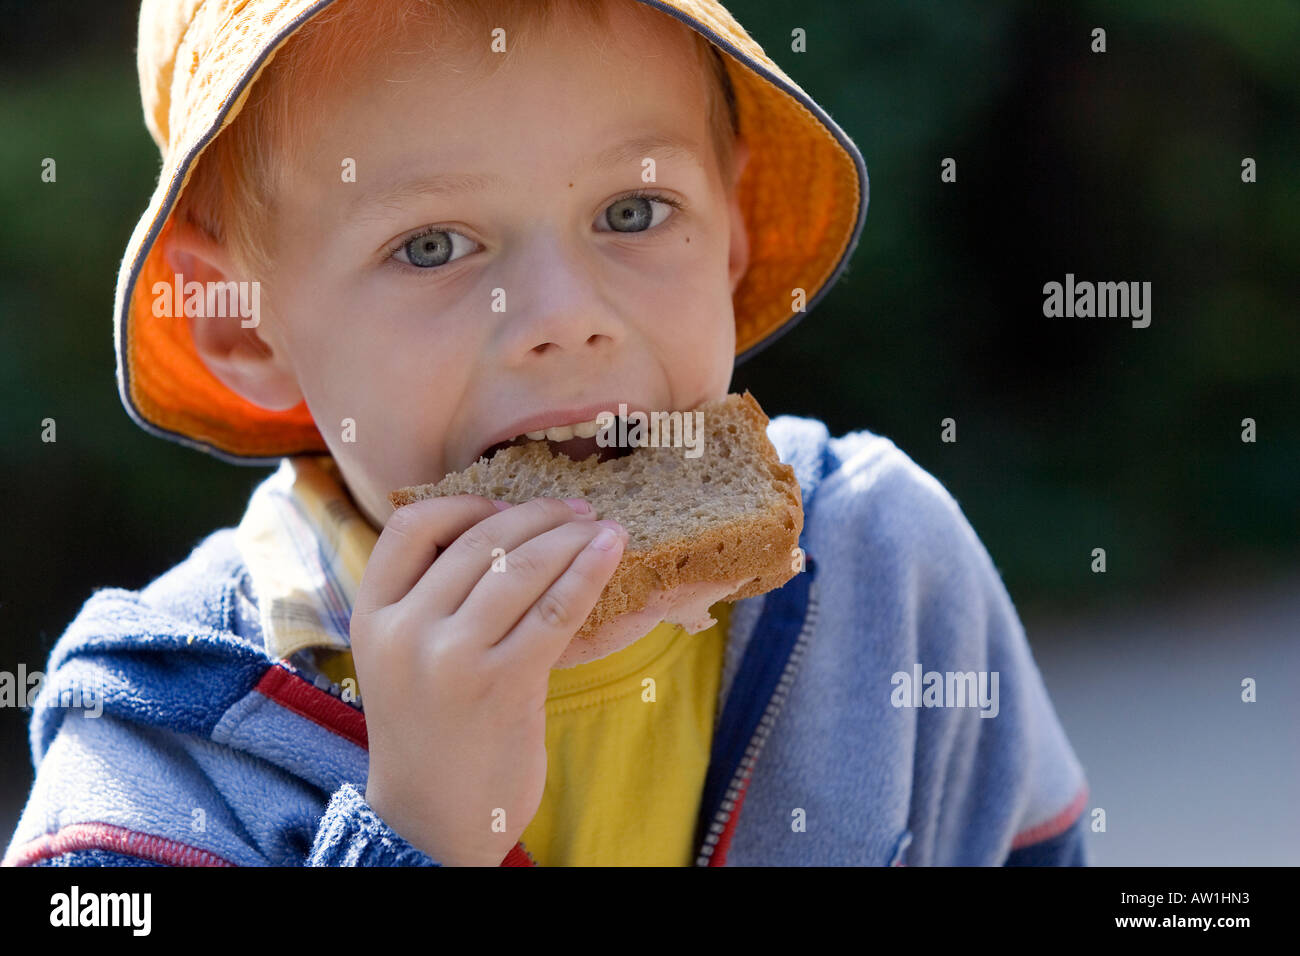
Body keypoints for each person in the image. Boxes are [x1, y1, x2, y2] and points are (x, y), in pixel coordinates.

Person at [3, 0, 1088, 866]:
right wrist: (419, 837)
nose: (564, 315)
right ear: (241, 322)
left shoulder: (888, 575)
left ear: (733, 235)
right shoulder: (157, 743)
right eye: (431, 245)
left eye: (632, 210)